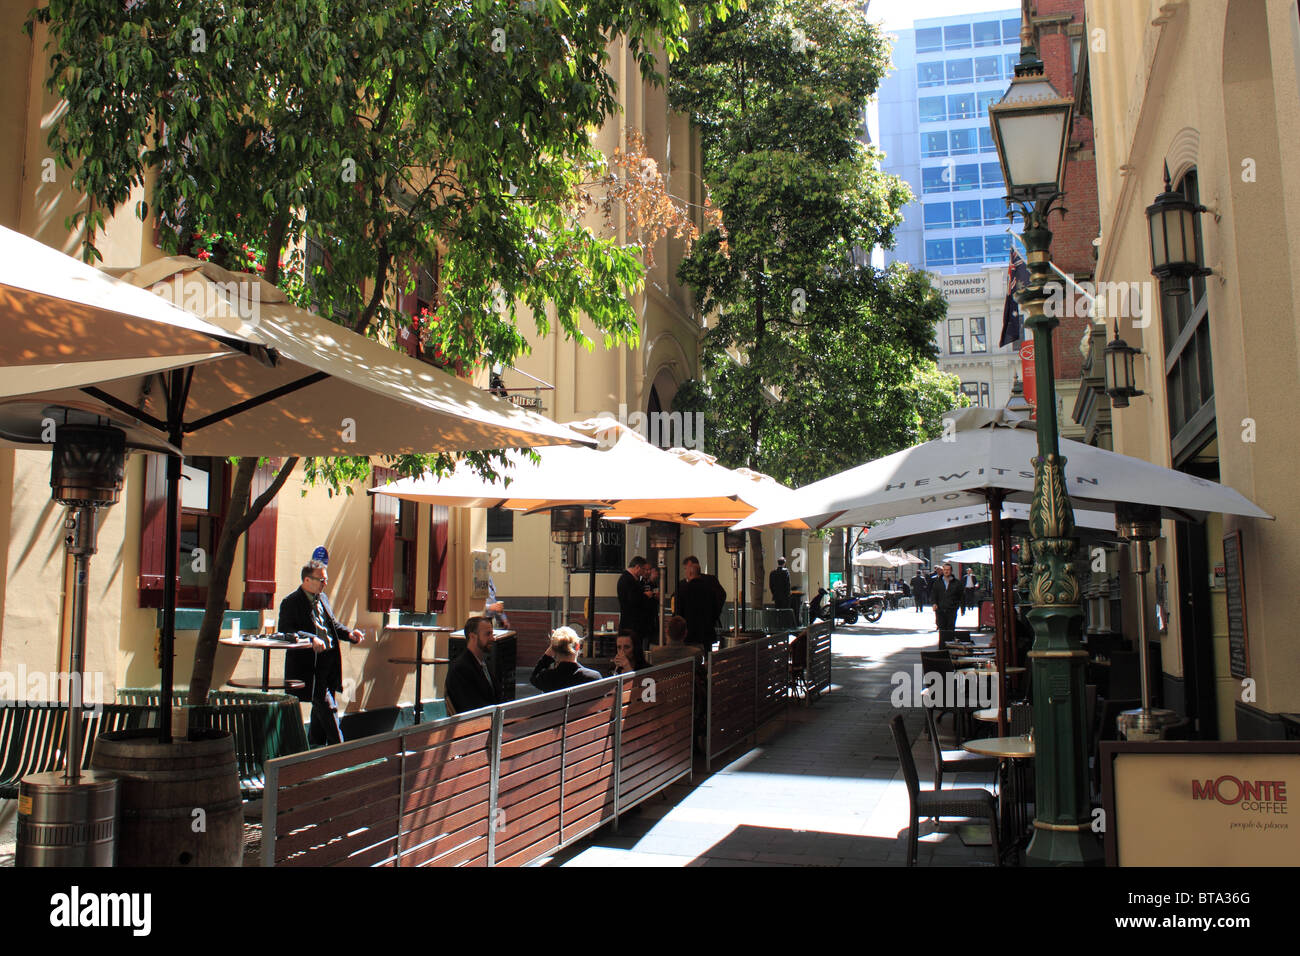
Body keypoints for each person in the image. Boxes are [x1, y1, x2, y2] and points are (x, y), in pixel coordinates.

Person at [279, 561, 365, 746]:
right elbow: (286, 630)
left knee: (321, 710)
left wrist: (350, 634)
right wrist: (311, 639)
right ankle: (340, 750)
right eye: (321, 580)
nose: (325, 583)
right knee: (327, 705)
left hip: (329, 660)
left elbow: (332, 625)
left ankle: (316, 750)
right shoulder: (291, 602)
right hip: (310, 664)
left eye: (325, 580)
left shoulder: (323, 598)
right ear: (307, 579)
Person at [445, 615, 503, 715]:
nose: (492, 639)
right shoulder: (460, 669)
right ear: (472, 636)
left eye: (492, 634)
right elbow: (470, 708)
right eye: (488, 634)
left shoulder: (485, 665)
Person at [675, 555, 727, 650]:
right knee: (708, 655)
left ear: (691, 568)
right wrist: (713, 617)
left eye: (686, 568)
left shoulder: (684, 588)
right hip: (707, 628)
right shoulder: (709, 586)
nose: (685, 571)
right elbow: (717, 601)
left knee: (691, 656)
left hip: (690, 630)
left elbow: (679, 608)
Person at [530, 627, 601, 692]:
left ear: (554, 650)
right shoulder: (594, 678)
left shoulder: (546, 678)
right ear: (577, 647)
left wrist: (551, 649)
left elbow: (534, 676)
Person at [617, 556, 657, 646]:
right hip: (632, 625)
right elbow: (633, 600)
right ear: (637, 567)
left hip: (632, 624)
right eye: (643, 569)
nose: (644, 572)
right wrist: (646, 596)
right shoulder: (628, 580)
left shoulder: (627, 578)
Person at [931, 563, 965, 649]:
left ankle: (950, 649)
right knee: (942, 630)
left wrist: (960, 607)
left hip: (951, 610)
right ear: (943, 570)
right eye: (945, 570)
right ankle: (942, 649)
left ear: (951, 571)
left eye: (948, 570)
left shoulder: (957, 583)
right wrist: (934, 603)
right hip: (940, 610)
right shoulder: (937, 582)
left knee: (950, 629)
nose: (946, 571)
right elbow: (934, 594)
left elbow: (961, 596)